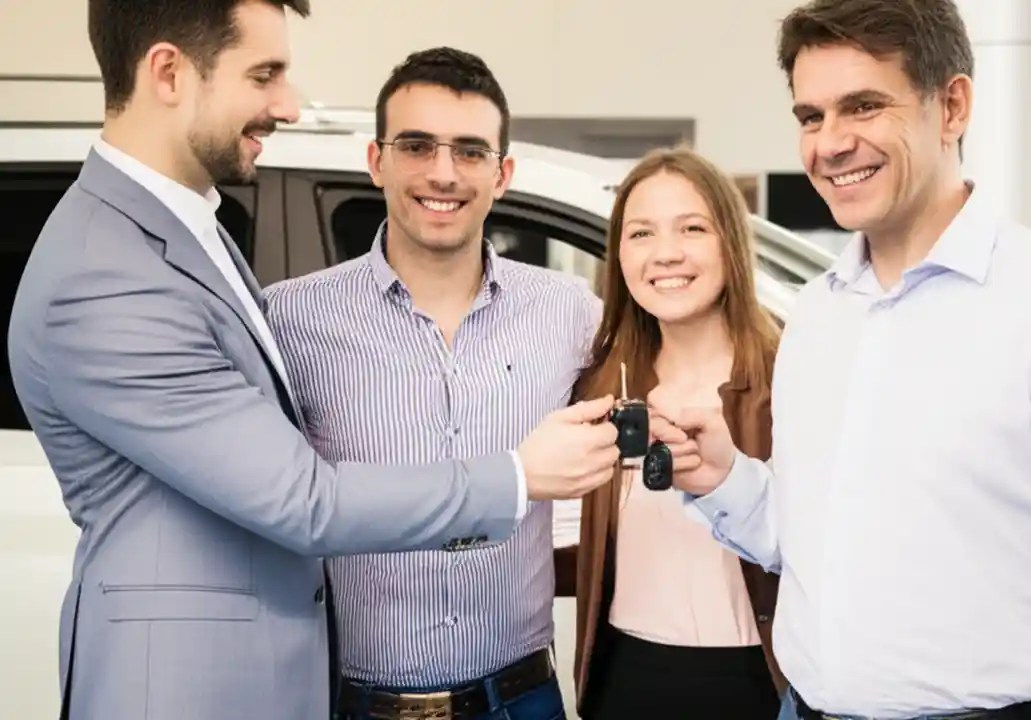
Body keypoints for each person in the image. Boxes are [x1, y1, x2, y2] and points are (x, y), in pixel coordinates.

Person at [5, 3, 619, 719]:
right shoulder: (107, 275)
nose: (288, 106)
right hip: (193, 689)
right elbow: (306, 501)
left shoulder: (185, 232)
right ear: (169, 72)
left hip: (502, 687)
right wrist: (518, 476)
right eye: (265, 74)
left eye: (470, 151)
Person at [653, 1, 1031, 719]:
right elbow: (814, 544)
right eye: (810, 116)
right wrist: (726, 478)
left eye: (863, 106)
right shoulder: (820, 314)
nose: (830, 144)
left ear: (952, 106)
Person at [262, 48, 617, 720]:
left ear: (503, 173)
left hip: (523, 700)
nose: (444, 173)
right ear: (377, 161)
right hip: (358, 703)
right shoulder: (289, 320)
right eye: (417, 145)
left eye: (471, 151)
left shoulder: (570, 312)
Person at [563, 148, 786, 719]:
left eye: (691, 228)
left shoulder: (788, 376)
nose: (666, 254)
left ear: (730, 244)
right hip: (626, 678)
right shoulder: (599, 384)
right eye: (640, 233)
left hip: (757, 681)